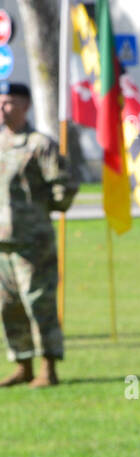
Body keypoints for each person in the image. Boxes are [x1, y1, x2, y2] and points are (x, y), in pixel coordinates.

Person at [0, 80, 78, 388]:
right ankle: (22, 364)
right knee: (8, 305)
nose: (3, 109)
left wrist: (42, 210)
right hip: (4, 244)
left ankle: (48, 367)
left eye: (9, 103)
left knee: (38, 304)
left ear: (25, 106)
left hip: (33, 241)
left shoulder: (38, 144)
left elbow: (64, 185)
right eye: (0, 102)